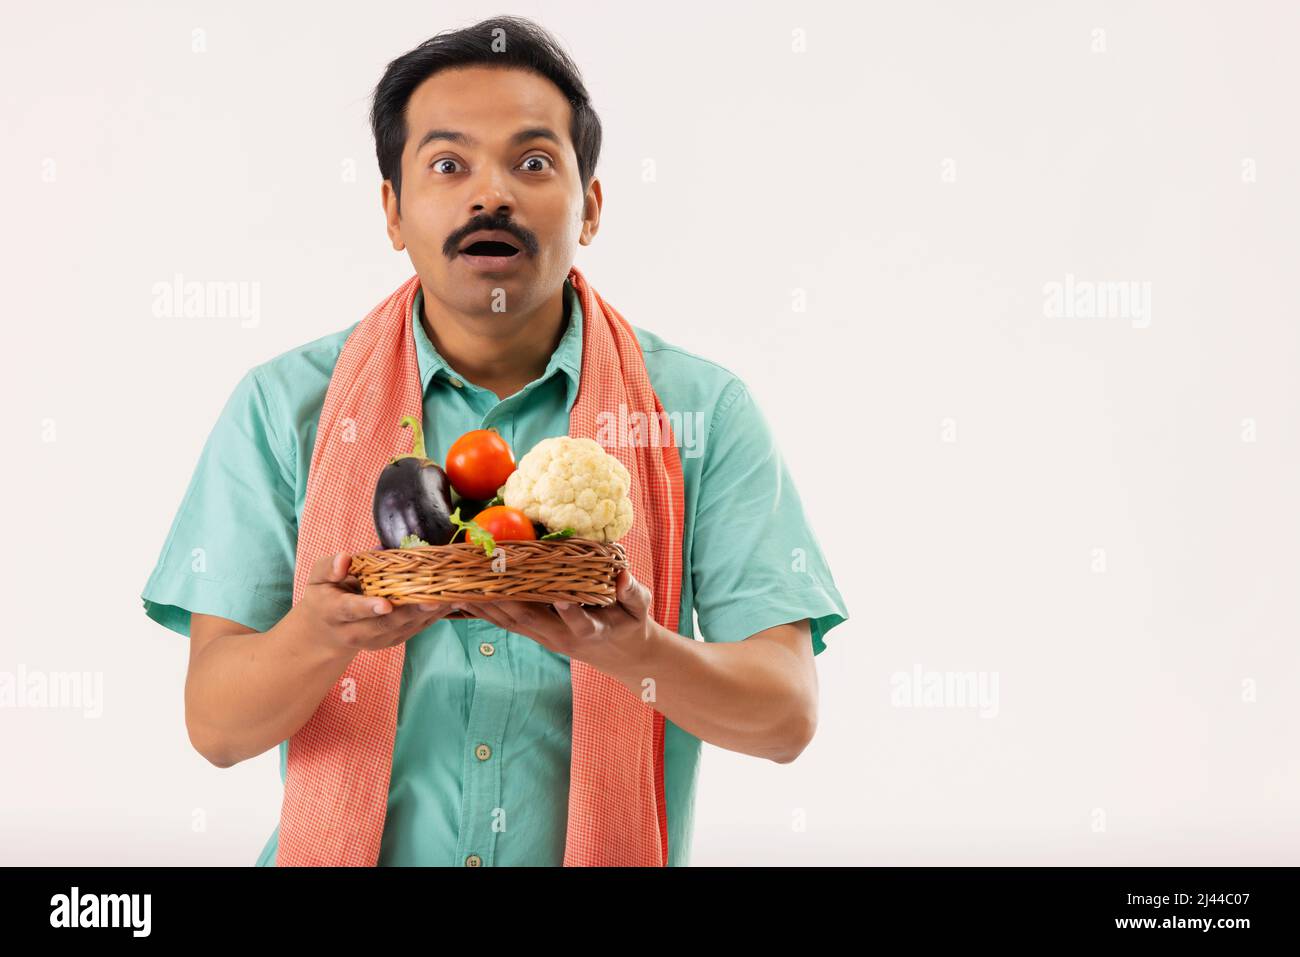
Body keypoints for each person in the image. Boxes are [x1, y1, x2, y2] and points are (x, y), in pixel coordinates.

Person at [140, 15, 848, 867]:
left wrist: (637, 650)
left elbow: (784, 718)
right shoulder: (285, 407)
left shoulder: (699, 410)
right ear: (393, 212)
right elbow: (216, 728)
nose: (492, 196)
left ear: (589, 207)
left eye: (534, 162)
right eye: (448, 164)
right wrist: (327, 634)